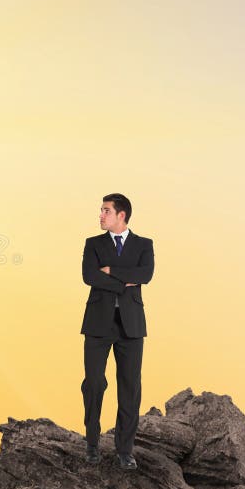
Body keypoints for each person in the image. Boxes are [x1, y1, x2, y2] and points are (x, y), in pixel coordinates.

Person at [80, 193, 154, 470]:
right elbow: (89, 276)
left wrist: (111, 270)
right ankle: (92, 442)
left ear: (121, 215)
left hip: (131, 325)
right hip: (98, 323)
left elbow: (145, 275)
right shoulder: (93, 244)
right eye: (101, 210)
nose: (101, 215)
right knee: (94, 383)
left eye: (106, 211)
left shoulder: (144, 245)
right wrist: (125, 282)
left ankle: (125, 449)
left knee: (130, 387)